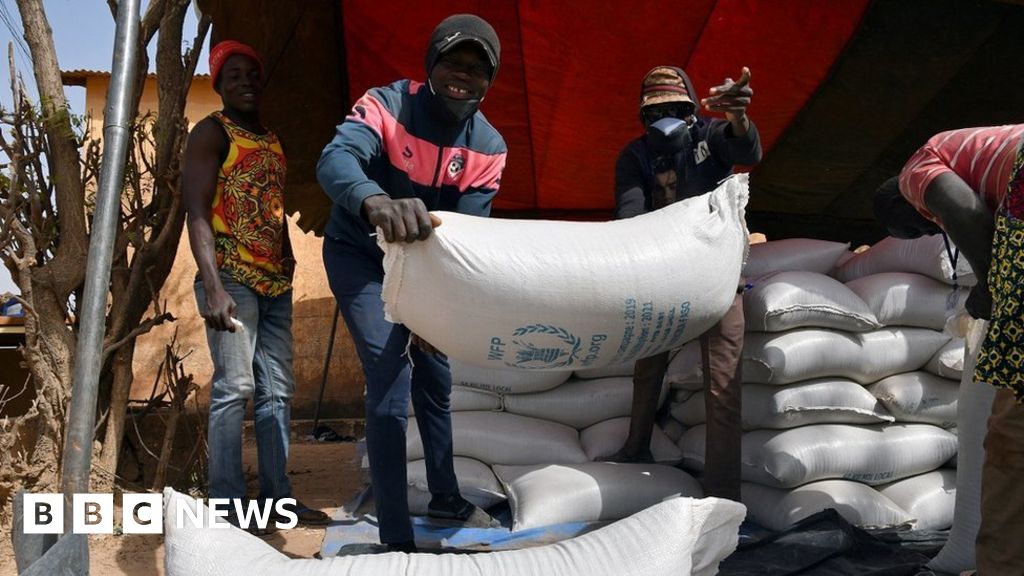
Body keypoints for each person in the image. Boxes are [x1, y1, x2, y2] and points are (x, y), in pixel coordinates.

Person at [316, 14, 506, 552]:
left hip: (425, 270)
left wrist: (440, 308)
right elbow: (335, 160)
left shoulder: (488, 148)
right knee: (390, 376)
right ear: (431, 64)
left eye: (477, 69)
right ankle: (396, 539)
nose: (462, 76)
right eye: (453, 62)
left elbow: (467, 238)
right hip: (359, 255)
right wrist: (373, 200)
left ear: (489, 82)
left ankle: (445, 497)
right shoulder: (386, 105)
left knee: (435, 377)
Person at [182, 40, 329, 531]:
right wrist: (214, 286)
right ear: (219, 84)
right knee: (235, 388)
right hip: (230, 279)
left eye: (252, 74)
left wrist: (286, 258)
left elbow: (270, 206)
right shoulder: (210, 133)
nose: (245, 81)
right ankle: (225, 506)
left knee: (278, 392)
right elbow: (197, 212)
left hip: (274, 283)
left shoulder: (271, 138)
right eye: (234, 74)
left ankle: (276, 498)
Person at [874, 124, 1024, 575]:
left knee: (1011, 434)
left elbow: (966, 212)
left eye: (921, 224)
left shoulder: (915, 170)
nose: (929, 226)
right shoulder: (969, 151)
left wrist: (993, 288)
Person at [610, 65, 762, 501]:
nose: (667, 119)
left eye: (677, 109)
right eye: (656, 113)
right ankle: (636, 449)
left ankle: (722, 493)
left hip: (718, 278)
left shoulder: (712, 137)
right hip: (664, 280)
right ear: (642, 118)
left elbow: (747, 151)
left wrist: (739, 119)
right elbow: (629, 217)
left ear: (694, 109)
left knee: (722, 384)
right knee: (647, 369)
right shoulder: (635, 156)